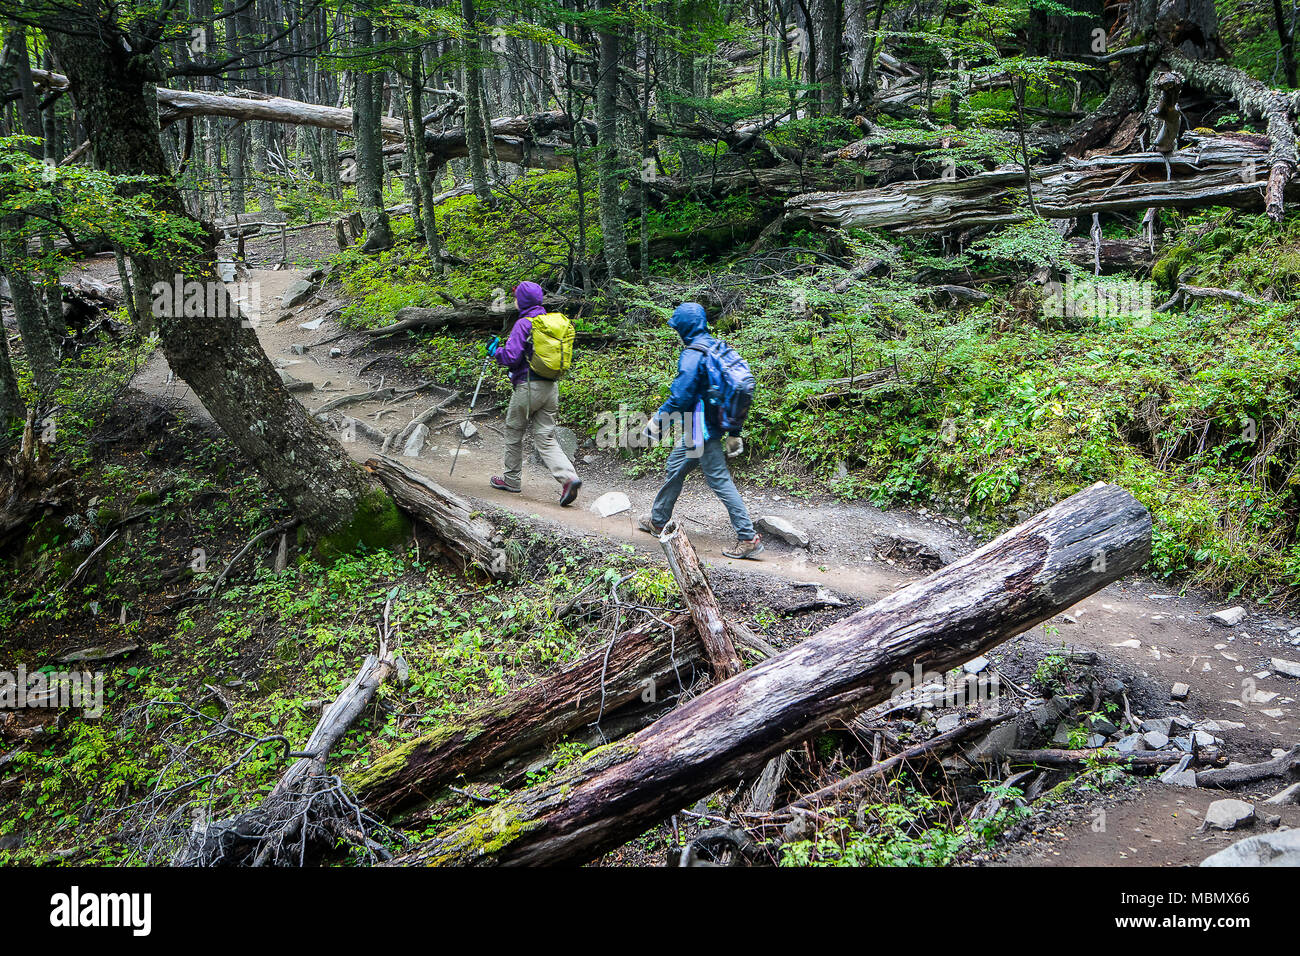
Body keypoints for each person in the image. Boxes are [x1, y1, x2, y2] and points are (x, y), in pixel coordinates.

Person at [637, 302, 763, 558]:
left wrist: (658, 422)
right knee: (676, 466)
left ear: (684, 327)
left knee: (719, 479)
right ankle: (658, 520)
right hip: (706, 425)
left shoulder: (694, 354)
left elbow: (681, 398)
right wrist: (735, 431)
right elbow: (738, 389)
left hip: (702, 428)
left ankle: (748, 538)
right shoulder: (719, 347)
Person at [489, 281, 581, 506]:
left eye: (516, 297)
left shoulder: (523, 324)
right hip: (551, 387)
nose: (514, 300)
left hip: (528, 387)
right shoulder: (550, 323)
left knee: (514, 431)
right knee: (545, 437)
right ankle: (568, 478)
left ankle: (511, 480)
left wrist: (496, 352)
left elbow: (511, 357)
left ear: (523, 300)